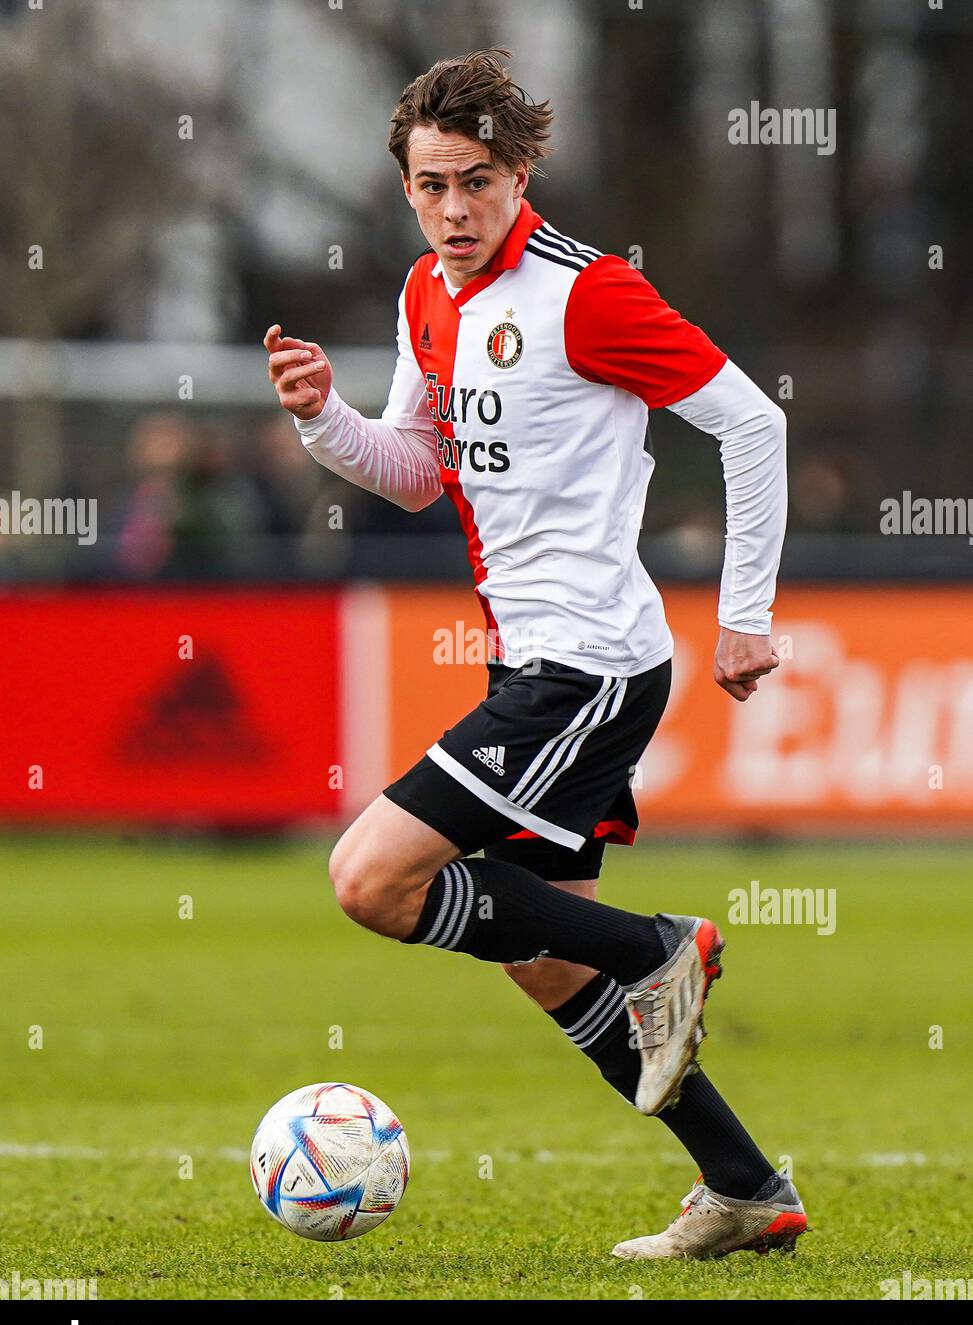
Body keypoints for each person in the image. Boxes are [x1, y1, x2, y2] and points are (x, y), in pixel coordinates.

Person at [264, 49, 806, 1260]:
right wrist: (319, 419)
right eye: (428, 186)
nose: (452, 211)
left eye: (474, 184)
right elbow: (413, 470)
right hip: (533, 664)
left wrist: (745, 610)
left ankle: (658, 946)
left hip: (591, 665)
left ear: (521, 174)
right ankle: (744, 1185)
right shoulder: (422, 294)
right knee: (540, 957)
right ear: (405, 184)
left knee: (370, 878)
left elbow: (750, 421)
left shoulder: (588, 294)